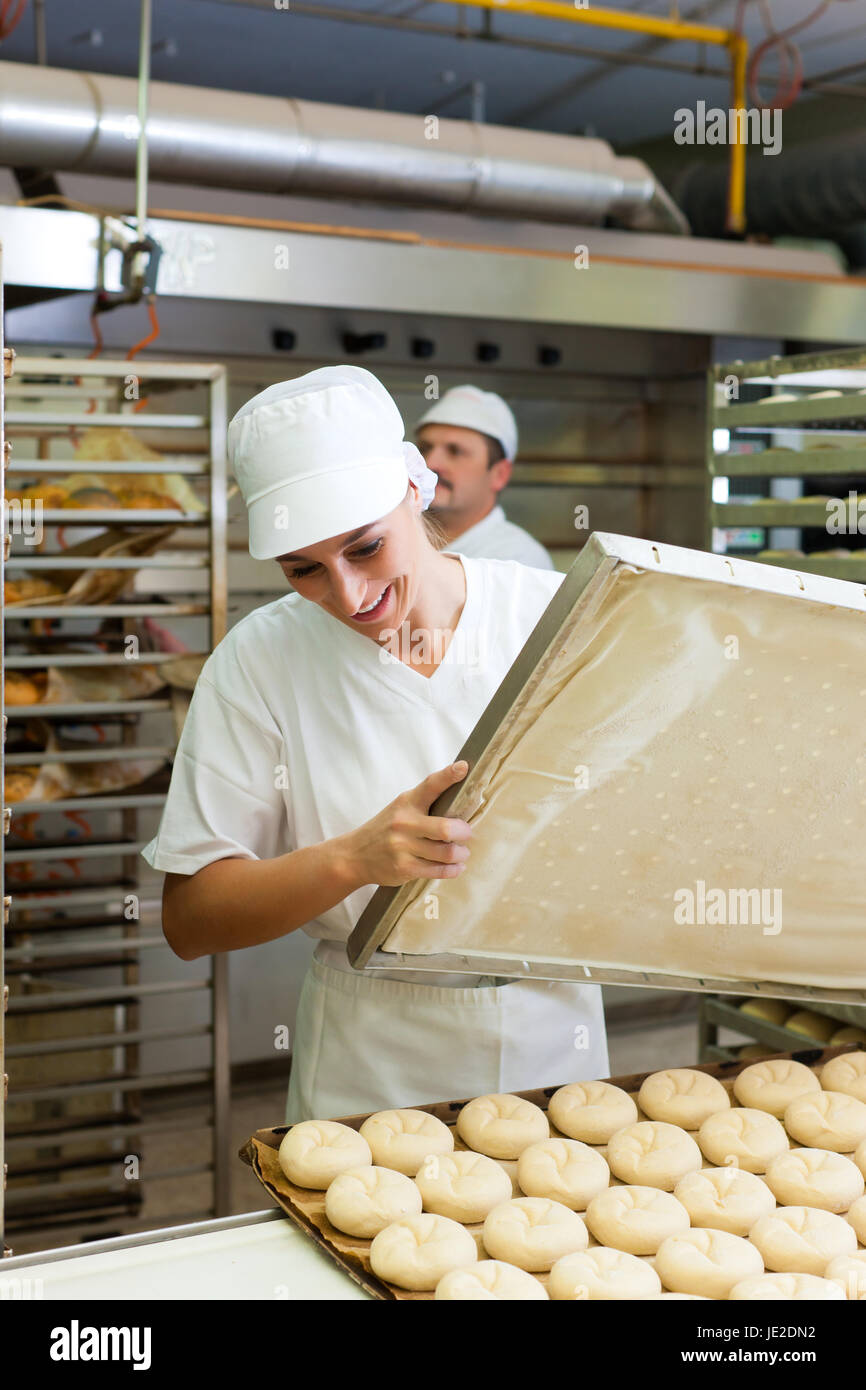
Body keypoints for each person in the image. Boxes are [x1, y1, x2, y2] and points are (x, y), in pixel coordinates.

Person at [141, 365, 607, 1124]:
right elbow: (191, 920)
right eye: (304, 571)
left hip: (554, 1037)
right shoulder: (260, 661)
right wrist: (350, 860)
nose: (350, 598)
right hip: (372, 1058)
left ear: (415, 490)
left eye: (365, 549)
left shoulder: (550, 614)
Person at [415, 384, 553, 569]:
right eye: (424, 448)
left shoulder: (519, 561)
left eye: (455, 451)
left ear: (499, 475)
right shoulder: (389, 535)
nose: (430, 463)